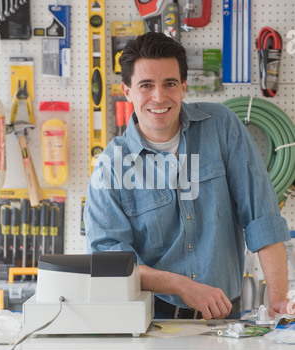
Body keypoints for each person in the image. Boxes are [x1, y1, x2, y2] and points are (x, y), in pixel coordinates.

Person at [84, 32, 291, 320]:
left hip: (223, 317)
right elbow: (112, 262)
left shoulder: (222, 128)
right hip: (153, 322)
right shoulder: (109, 168)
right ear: (127, 90)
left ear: (183, 87)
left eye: (169, 83)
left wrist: (279, 300)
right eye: (146, 85)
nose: (159, 97)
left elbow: (262, 218)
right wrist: (180, 285)